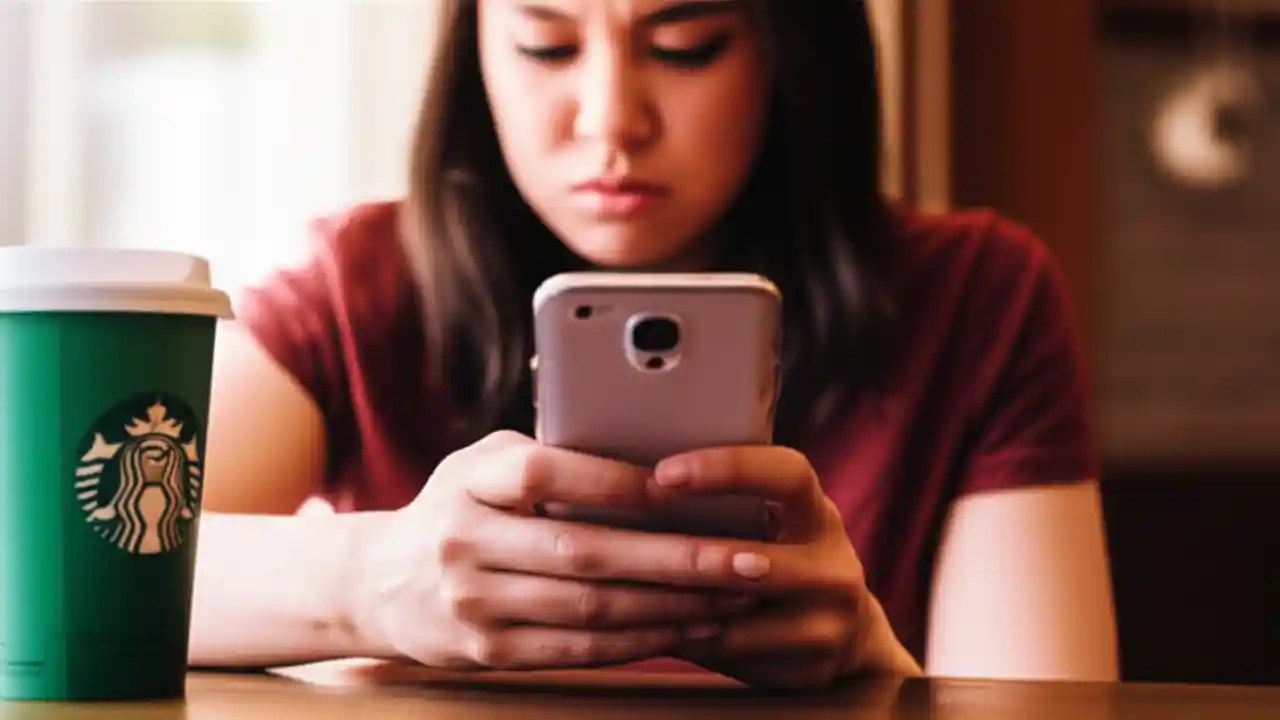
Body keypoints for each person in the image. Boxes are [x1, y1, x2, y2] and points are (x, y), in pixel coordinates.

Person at [193, 0, 1119, 688]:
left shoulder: (975, 297)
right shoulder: (364, 288)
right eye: (544, 44)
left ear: (790, 45)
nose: (610, 121)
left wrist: (871, 664)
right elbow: (69, 568)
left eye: (687, 47)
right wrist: (373, 583)